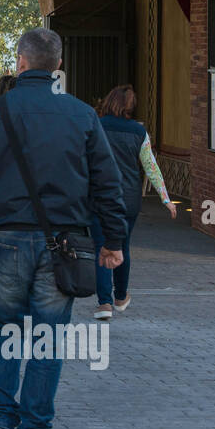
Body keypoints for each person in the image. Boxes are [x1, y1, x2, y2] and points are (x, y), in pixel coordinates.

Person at [0, 27, 128, 429]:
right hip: (63, 243)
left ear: (19, 62)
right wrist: (112, 241)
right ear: (57, 67)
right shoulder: (80, 115)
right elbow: (108, 184)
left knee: (6, 327)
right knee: (48, 339)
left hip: (7, 238)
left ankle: (0, 417)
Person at [88, 85, 178, 320]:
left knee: (101, 246)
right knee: (122, 246)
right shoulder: (139, 133)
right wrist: (166, 199)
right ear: (130, 106)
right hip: (128, 198)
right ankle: (120, 297)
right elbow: (151, 167)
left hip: (98, 196)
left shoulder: (95, 125)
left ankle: (104, 303)